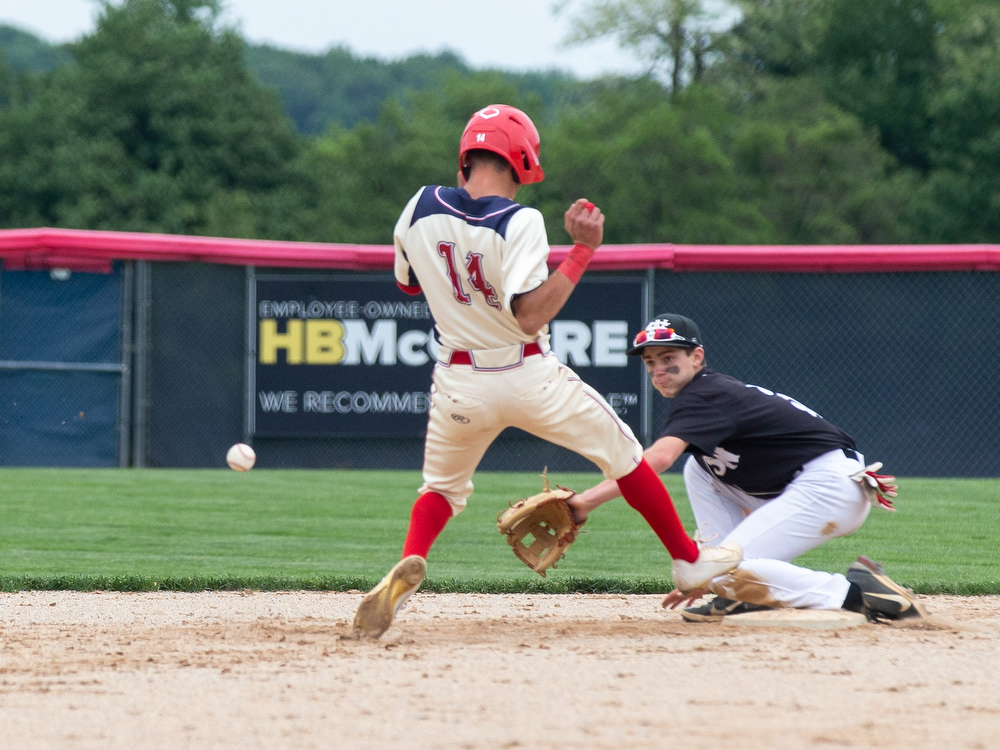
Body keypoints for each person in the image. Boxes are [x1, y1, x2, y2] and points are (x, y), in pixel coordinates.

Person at [352, 105, 741, 638]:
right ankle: (687, 559)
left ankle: (409, 565)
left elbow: (407, 285)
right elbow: (529, 314)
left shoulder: (419, 206)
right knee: (625, 456)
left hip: (459, 380)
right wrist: (582, 251)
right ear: (522, 163)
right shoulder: (521, 220)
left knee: (441, 488)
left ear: (465, 159)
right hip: (527, 374)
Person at [568, 312, 928, 623]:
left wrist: (585, 502)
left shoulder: (705, 395)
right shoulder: (705, 393)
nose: (659, 370)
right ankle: (740, 593)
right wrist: (706, 576)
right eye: (650, 363)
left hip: (828, 485)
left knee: (723, 565)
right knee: (700, 471)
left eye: (668, 357)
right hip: (811, 482)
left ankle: (855, 592)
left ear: (697, 356)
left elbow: (657, 460)